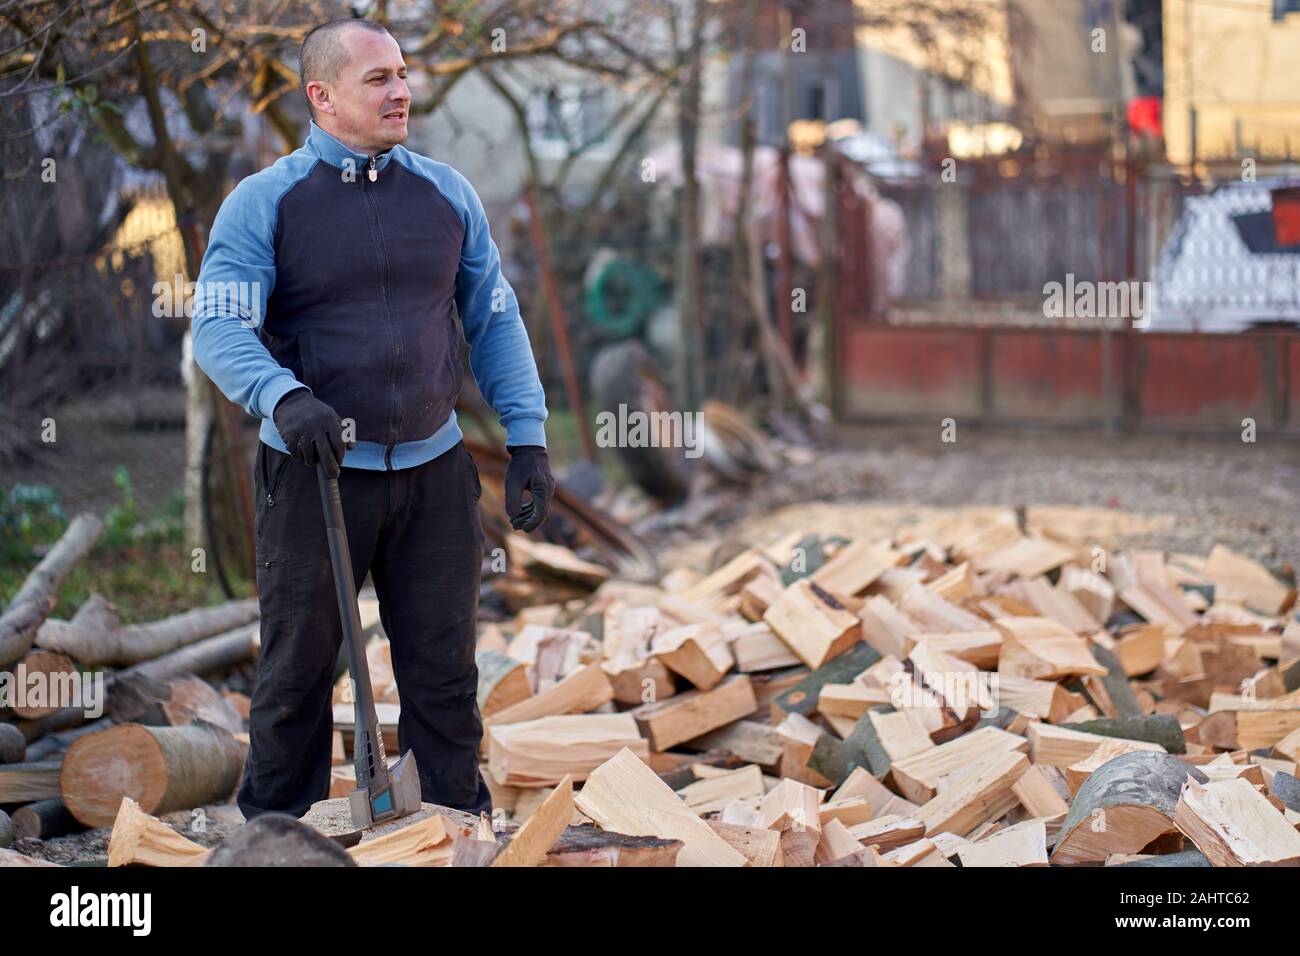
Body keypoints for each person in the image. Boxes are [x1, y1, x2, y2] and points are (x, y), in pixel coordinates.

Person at [190, 18, 554, 819]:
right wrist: (282, 397)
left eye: (402, 74)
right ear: (321, 97)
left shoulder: (445, 193)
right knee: (295, 678)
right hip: (316, 474)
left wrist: (525, 435)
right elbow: (216, 326)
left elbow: (494, 319)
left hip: (434, 473)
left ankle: (451, 828)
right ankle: (280, 839)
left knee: (445, 675)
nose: (401, 91)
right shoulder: (265, 203)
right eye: (378, 79)